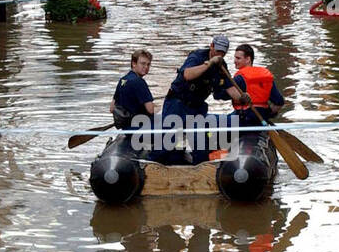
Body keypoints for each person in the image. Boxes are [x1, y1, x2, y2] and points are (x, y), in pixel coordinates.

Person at [161, 36, 250, 165]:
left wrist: (241, 97)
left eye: (222, 53)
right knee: (171, 145)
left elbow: (230, 88)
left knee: (201, 145)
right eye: (217, 51)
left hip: (196, 107)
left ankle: (200, 168)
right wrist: (209, 64)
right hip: (177, 104)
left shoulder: (221, 67)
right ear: (211, 46)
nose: (219, 55)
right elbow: (187, 74)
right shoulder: (197, 56)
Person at [230, 43, 286, 126]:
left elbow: (220, 95)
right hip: (261, 118)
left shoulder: (239, 78)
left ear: (248, 59)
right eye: (235, 58)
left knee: (214, 120)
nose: (235, 61)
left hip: (243, 119)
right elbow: (279, 102)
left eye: (238, 58)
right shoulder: (265, 76)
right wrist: (267, 115)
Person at [111, 50, 155, 133]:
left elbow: (112, 108)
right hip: (140, 128)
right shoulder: (139, 82)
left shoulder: (123, 80)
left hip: (126, 129)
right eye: (143, 63)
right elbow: (151, 110)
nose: (146, 67)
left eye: (148, 64)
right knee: (173, 128)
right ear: (134, 64)